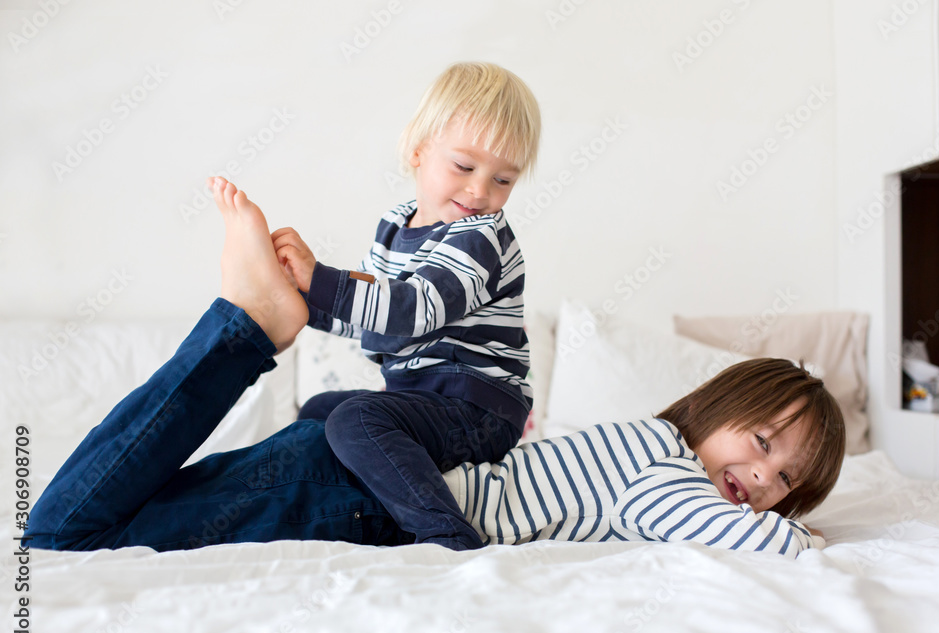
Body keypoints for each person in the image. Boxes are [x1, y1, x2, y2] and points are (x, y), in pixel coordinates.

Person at [24, 180, 844, 557]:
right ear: (718, 406)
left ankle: (246, 329)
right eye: (764, 439)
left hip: (340, 473)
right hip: (364, 498)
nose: (763, 476)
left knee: (92, 523)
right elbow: (761, 544)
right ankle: (247, 328)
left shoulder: (645, 447)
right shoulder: (666, 476)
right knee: (65, 531)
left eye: (788, 479)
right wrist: (803, 535)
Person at [271, 62, 541, 550]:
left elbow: (413, 309)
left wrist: (320, 279)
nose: (480, 191)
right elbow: (372, 318)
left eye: (503, 180)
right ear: (419, 151)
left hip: (477, 404)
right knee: (318, 412)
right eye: (464, 166)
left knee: (355, 420)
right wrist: (300, 298)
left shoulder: (483, 236)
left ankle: (447, 534)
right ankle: (340, 509)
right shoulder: (394, 227)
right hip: (424, 398)